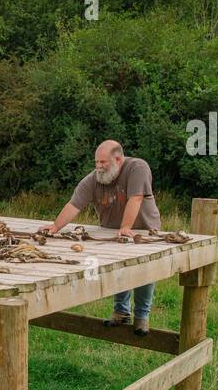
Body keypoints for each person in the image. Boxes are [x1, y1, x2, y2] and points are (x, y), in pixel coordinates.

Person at [41, 140, 162, 337]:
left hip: (144, 232)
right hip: (112, 233)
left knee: (144, 272)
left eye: (103, 162)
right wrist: (55, 227)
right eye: (96, 162)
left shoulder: (137, 167)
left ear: (118, 159)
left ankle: (142, 317)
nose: (98, 167)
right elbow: (74, 204)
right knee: (119, 269)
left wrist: (125, 227)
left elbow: (136, 198)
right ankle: (121, 312)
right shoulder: (93, 179)